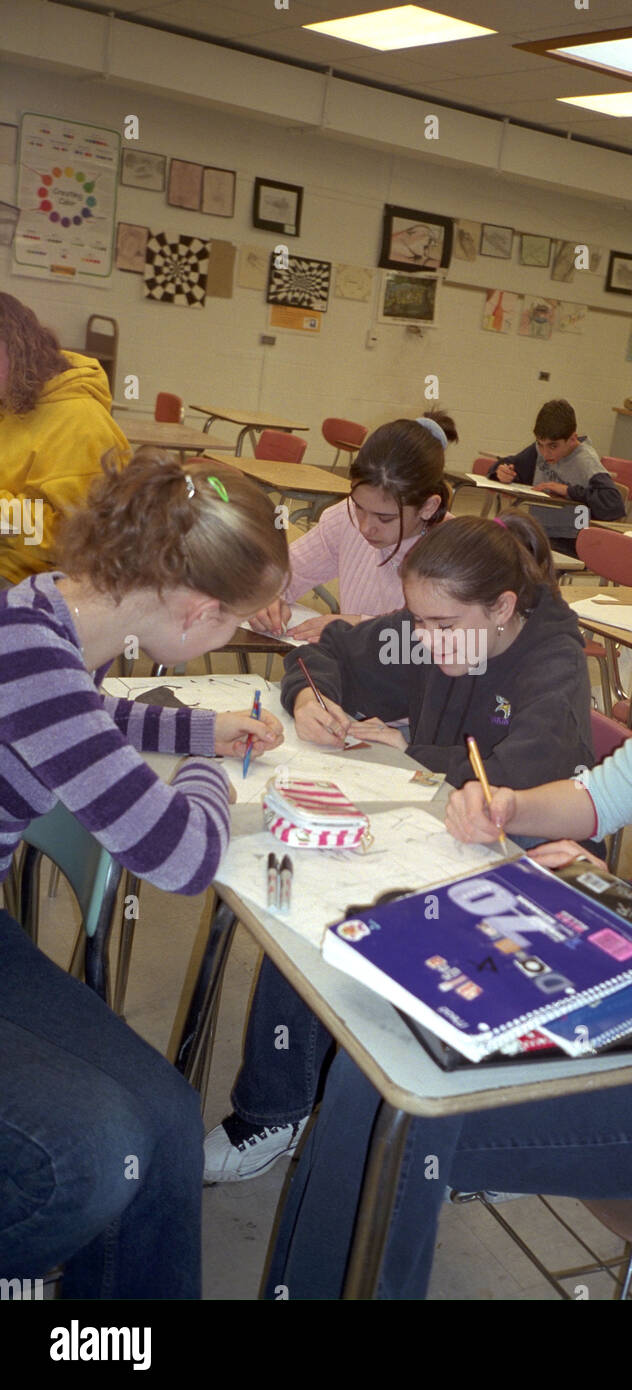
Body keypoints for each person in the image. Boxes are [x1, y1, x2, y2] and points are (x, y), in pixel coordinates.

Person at [265, 508, 632, 1300]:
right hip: (612, 974)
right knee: (381, 1051)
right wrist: (508, 805)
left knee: (402, 1114)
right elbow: (597, 799)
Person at [203, 514, 599, 1182]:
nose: (420, 639)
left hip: (514, 855)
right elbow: (326, 648)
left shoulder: (553, 660)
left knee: (346, 914)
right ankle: (280, 1108)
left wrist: (412, 750)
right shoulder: (435, 630)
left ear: (502, 608)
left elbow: (530, 770)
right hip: (429, 821)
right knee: (299, 892)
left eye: (440, 627)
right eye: (416, 621)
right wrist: (308, 699)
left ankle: (326, 1110)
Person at [0, 449, 288, 1299]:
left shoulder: (51, 611)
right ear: (200, 614)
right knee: (84, 1160)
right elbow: (183, 856)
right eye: (241, 618)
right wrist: (211, 775)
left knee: (161, 1116)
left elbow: (85, 713)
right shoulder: (25, 648)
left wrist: (199, 731)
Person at [249, 417, 450, 644]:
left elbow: (449, 642)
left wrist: (362, 627)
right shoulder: (345, 518)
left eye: (385, 518)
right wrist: (268, 597)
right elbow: (286, 570)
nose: (365, 527)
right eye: (359, 507)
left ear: (428, 507)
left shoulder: (457, 551)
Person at [0, 292, 130, 586]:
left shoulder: (81, 424)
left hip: (34, 579)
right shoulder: (10, 400)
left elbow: (78, 539)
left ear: (19, 350)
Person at [488, 398, 625, 556]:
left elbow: (614, 504)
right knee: (494, 547)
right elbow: (510, 464)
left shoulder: (586, 461)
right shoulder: (542, 449)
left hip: (571, 540)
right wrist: (501, 472)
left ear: (572, 439)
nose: (545, 453)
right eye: (540, 444)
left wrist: (568, 491)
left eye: (553, 446)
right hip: (539, 531)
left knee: (517, 560)